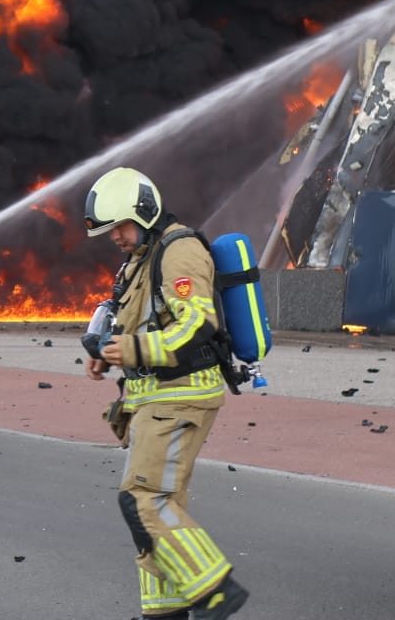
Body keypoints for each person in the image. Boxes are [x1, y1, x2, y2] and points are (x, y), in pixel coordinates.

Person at [83, 167, 249, 620]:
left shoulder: (180, 251)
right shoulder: (141, 257)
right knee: (158, 510)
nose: (115, 237)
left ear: (144, 210)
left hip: (180, 395)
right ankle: (164, 611)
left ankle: (215, 589)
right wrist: (108, 351)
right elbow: (135, 318)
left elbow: (197, 323)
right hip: (151, 399)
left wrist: (134, 348)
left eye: (120, 226)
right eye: (108, 230)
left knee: (141, 500)